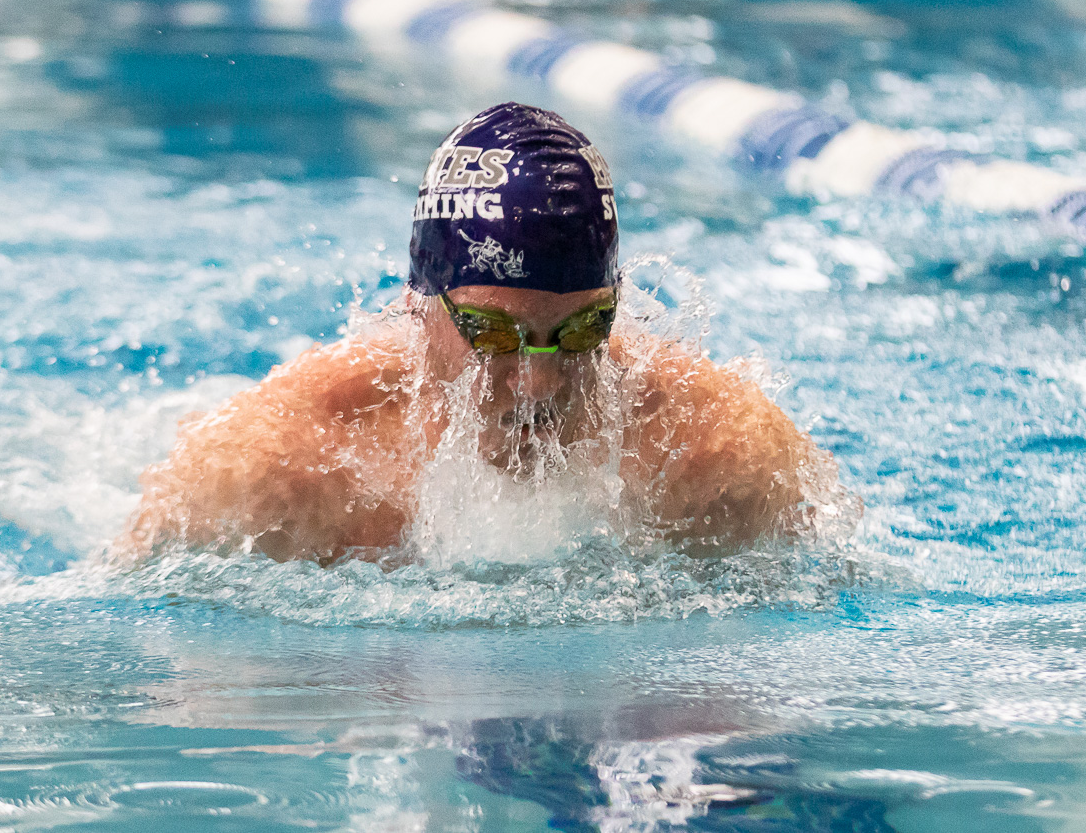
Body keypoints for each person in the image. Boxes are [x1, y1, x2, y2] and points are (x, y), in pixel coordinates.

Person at [117, 102, 848, 563]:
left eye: (582, 330)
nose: (539, 381)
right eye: (492, 333)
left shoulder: (716, 454)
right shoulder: (279, 466)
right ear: (416, 305)